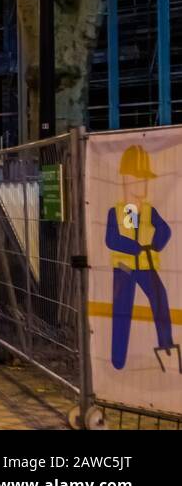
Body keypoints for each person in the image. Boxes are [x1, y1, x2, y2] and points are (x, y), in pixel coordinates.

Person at [105, 145, 177, 371]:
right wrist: (135, 247)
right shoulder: (119, 211)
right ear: (126, 178)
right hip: (125, 269)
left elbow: (165, 230)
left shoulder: (147, 211)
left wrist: (155, 244)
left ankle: (166, 349)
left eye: (146, 178)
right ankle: (118, 359)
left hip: (145, 266)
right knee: (122, 310)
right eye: (139, 176)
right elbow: (112, 239)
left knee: (160, 299)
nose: (144, 182)